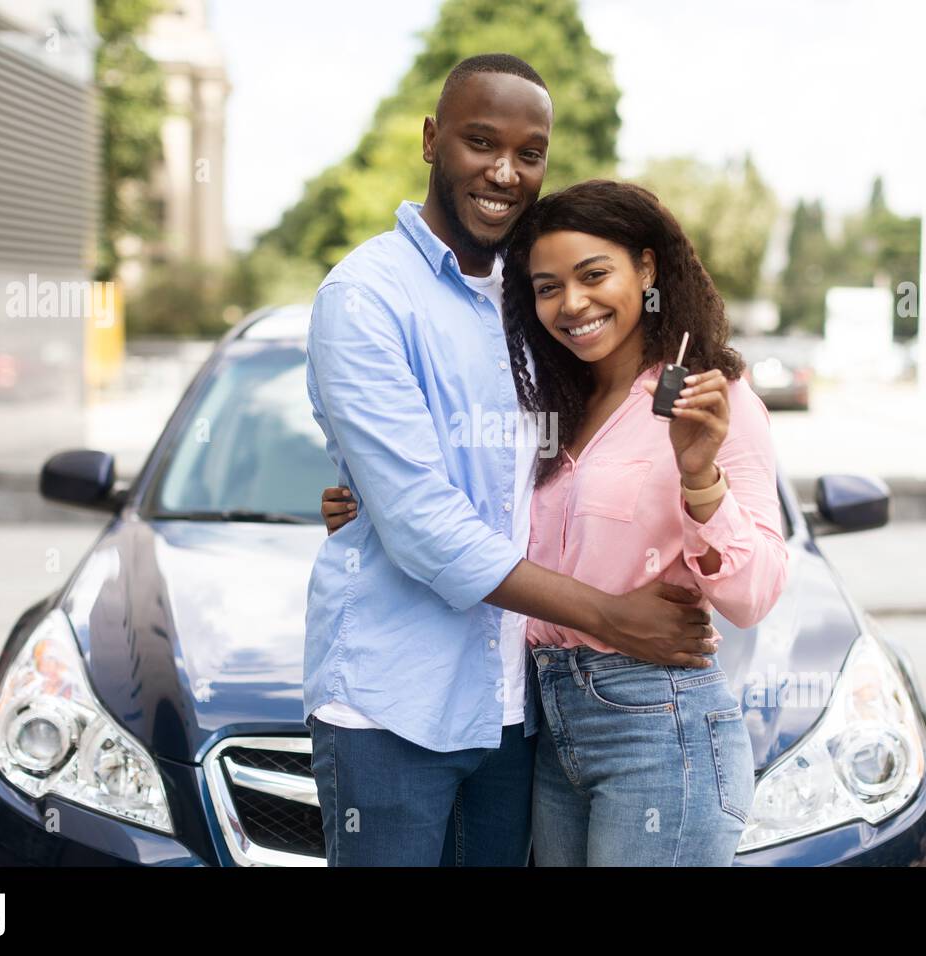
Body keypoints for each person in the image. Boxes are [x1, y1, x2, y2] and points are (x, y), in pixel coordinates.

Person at [304, 54, 716, 868]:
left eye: (530, 153)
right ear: (431, 141)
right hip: (393, 708)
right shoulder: (364, 299)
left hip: (516, 710)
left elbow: (557, 469)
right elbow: (423, 524)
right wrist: (609, 614)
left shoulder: (535, 302)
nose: (504, 171)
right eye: (480, 142)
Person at [325, 179, 789, 865]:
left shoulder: (712, 399)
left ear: (648, 268)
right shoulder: (541, 403)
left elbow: (753, 597)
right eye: (546, 287)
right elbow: (467, 509)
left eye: (594, 275)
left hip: (659, 724)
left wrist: (700, 478)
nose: (572, 304)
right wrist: (373, 506)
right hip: (546, 724)